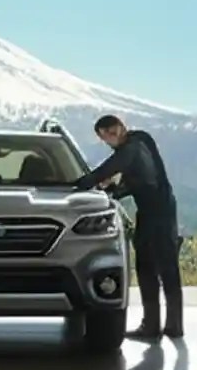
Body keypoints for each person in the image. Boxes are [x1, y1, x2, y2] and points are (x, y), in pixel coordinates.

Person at [73, 115, 183, 340]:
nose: (110, 140)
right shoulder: (141, 142)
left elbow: (109, 169)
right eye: (105, 138)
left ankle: (164, 326)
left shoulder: (132, 148)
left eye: (111, 134)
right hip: (155, 210)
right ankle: (161, 325)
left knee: (159, 268)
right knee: (153, 268)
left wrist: (80, 184)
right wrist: (114, 189)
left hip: (158, 213)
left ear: (120, 127)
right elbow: (138, 180)